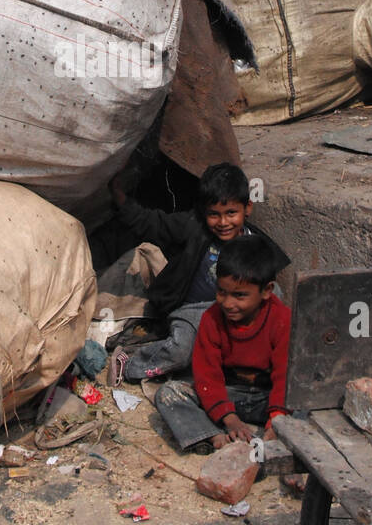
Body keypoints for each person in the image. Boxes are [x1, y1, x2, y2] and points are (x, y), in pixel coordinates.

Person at [109, 162, 288, 383]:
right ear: (204, 212)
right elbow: (154, 223)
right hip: (193, 314)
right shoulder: (193, 227)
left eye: (231, 213)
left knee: (276, 295)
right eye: (214, 214)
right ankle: (133, 364)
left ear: (247, 208)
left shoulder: (257, 245)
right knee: (181, 350)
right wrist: (121, 200)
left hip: (236, 317)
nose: (223, 222)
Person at [154, 234, 290, 453]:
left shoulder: (282, 319)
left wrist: (277, 418)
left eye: (240, 295)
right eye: (221, 292)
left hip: (266, 398)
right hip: (229, 394)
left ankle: (277, 438)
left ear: (267, 290)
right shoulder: (211, 319)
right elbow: (207, 376)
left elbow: (284, 376)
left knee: (307, 407)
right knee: (169, 393)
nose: (228, 303)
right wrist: (229, 418)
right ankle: (213, 435)